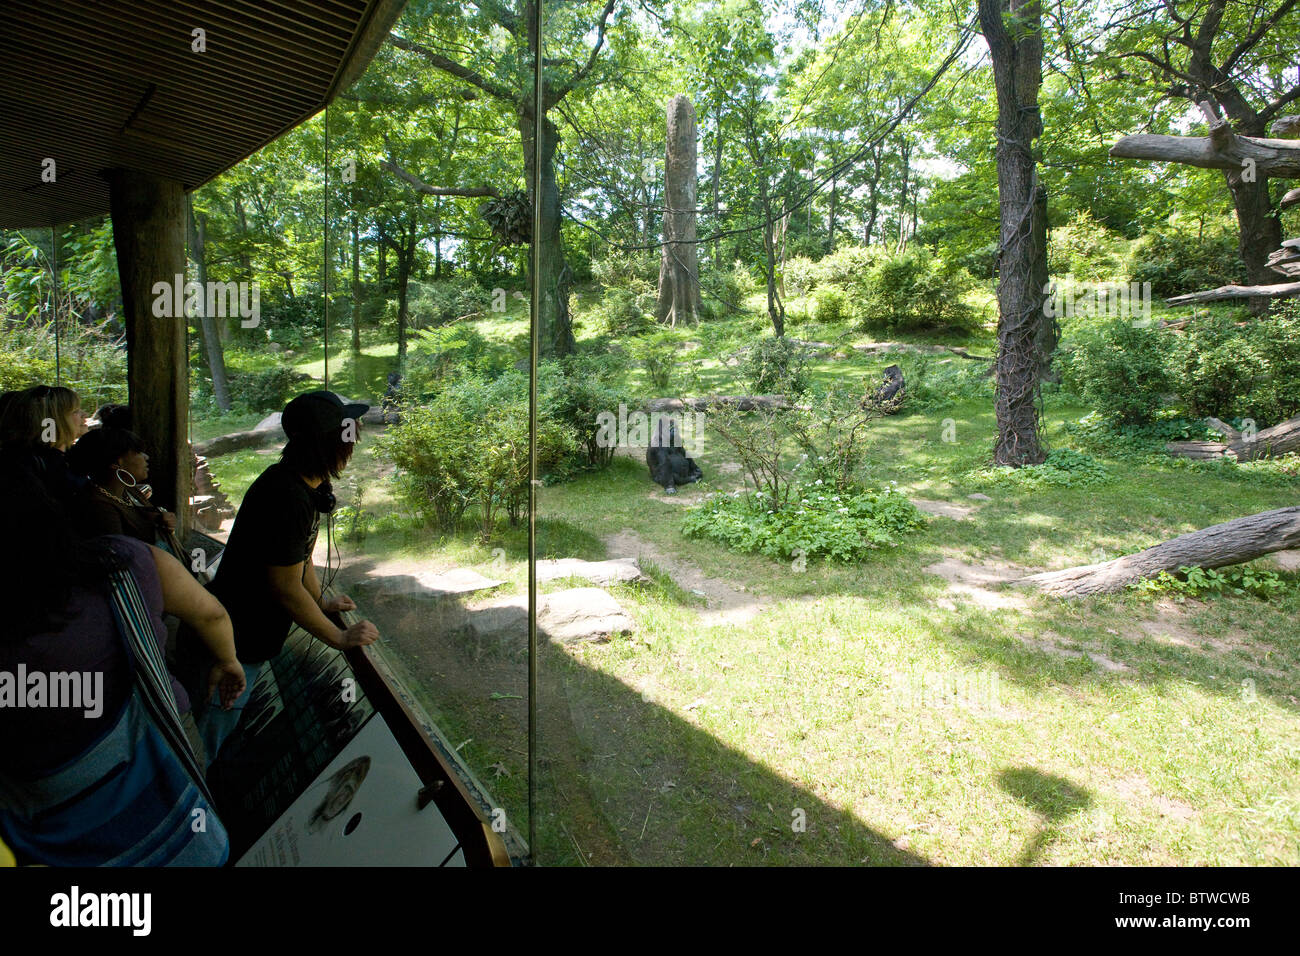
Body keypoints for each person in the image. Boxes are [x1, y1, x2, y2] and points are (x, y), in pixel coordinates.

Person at [0, 460, 245, 866]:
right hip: (160, 743)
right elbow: (211, 615)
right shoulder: (125, 562)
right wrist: (228, 660)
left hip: (44, 820)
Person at [191, 391, 379, 760]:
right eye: (347, 432)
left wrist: (321, 601)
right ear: (326, 443)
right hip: (234, 645)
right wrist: (339, 637)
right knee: (204, 745)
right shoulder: (286, 497)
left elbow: (299, 559)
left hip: (246, 639)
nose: (354, 439)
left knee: (217, 733)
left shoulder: (303, 486)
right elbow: (285, 588)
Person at [67, 426, 178, 544]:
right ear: (116, 463)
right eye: (138, 452)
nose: (146, 457)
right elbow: (121, 554)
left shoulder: (127, 490)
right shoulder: (98, 507)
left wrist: (161, 519)